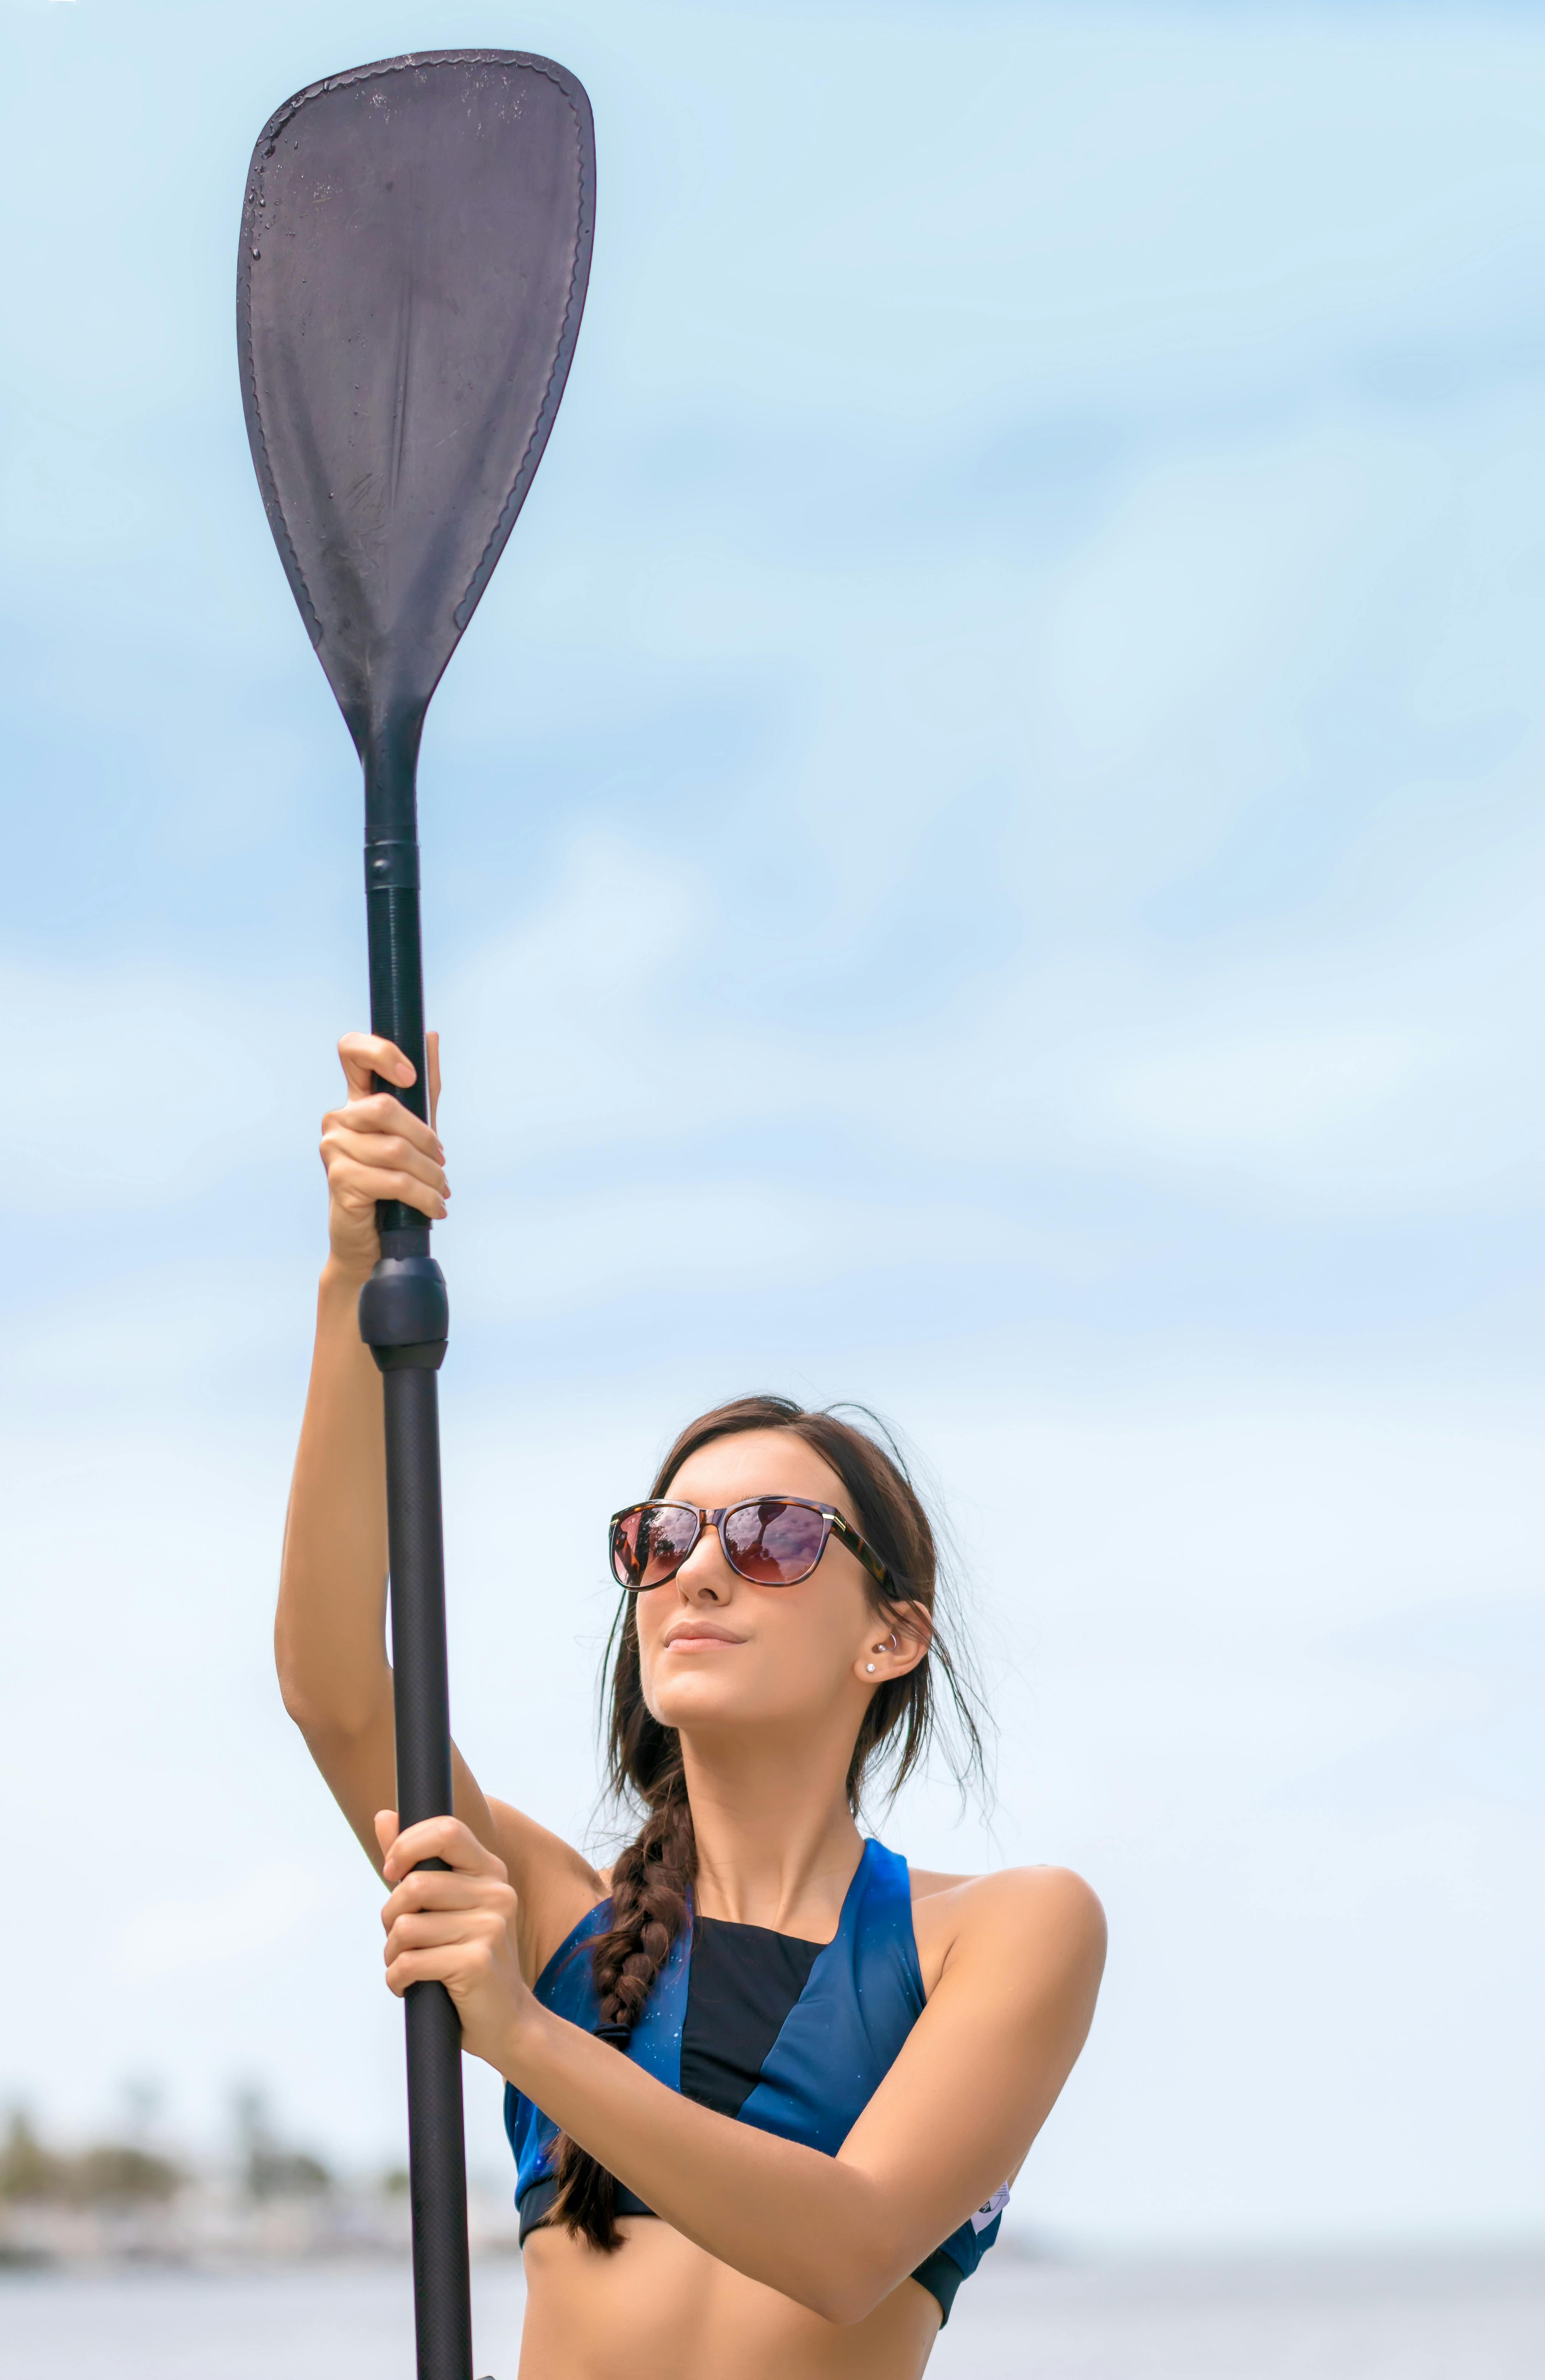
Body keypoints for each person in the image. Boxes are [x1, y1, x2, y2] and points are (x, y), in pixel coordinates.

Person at [277, 1030, 1107, 2380]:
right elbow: (330, 1688)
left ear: (892, 1635)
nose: (702, 1567)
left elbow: (848, 2250)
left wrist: (524, 2035)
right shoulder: (554, 1915)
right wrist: (351, 1280)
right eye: (664, 1538)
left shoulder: (1005, 1933)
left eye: (774, 1534)